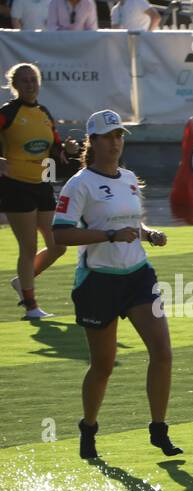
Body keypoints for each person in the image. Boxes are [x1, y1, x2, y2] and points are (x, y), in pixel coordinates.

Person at [51, 110, 181, 461]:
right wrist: (108, 235)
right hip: (99, 283)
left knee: (163, 352)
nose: (116, 141)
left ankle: (159, 430)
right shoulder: (79, 184)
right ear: (93, 142)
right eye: (109, 136)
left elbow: (130, 221)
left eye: (120, 134)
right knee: (103, 366)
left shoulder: (128, 178)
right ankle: (89, 427)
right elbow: (61, 233)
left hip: (138, 276)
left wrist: (148, 233)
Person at [0, 64, 77, 321]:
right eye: (24, 80)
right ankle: (31, 305)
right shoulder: (8, 113)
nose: (30, 84)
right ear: (15, 85)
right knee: (29, 246)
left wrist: (67, 148)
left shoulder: (44, 113)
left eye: (33, 79)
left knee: (59, 245)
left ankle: (22, 280)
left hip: (43, 183)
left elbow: (55, 149)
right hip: (16, 185)